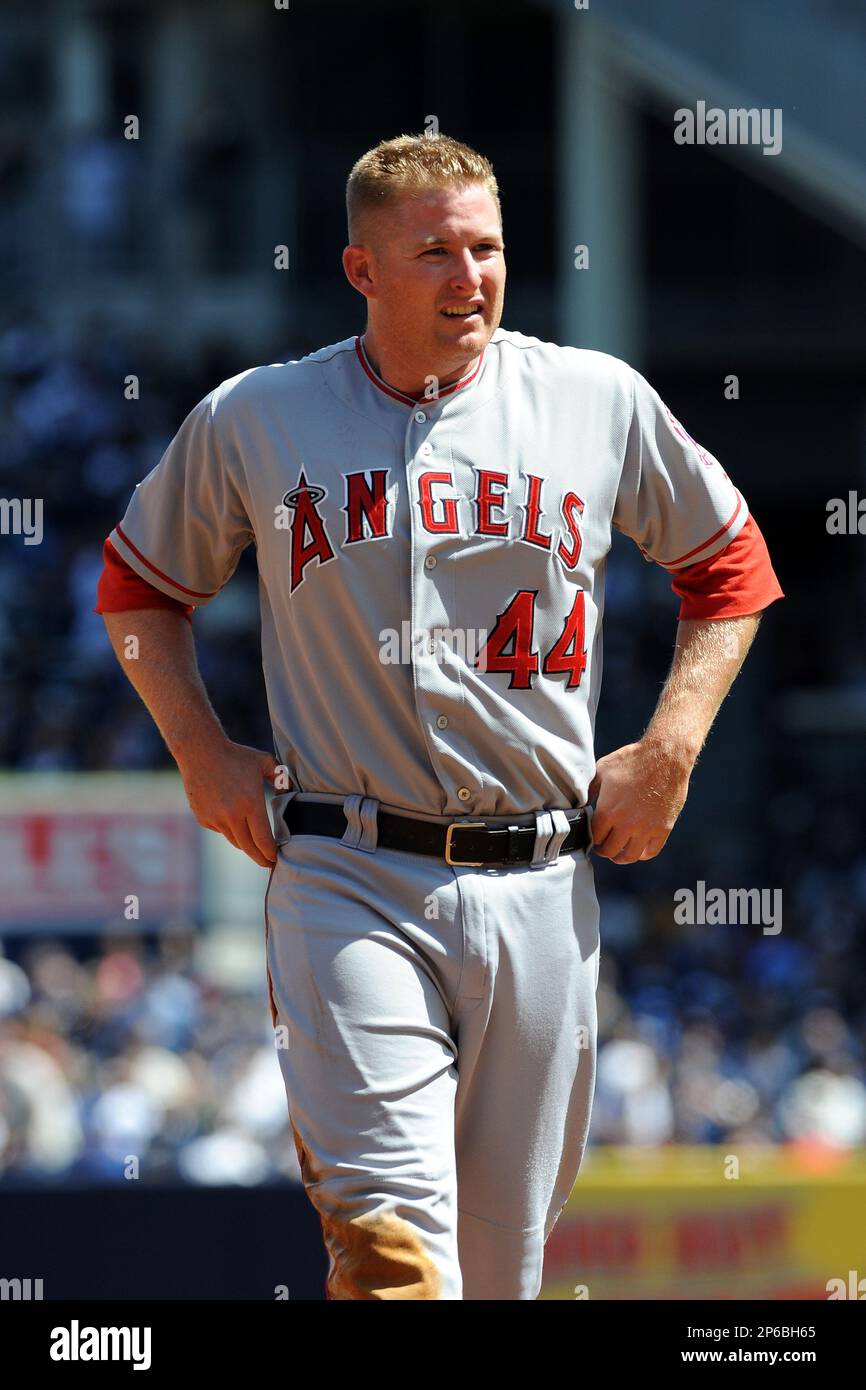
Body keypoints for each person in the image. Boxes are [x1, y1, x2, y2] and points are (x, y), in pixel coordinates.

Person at [96, 132, 784, 1299]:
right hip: (349, 869)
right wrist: (199, 751)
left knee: (498, 1277)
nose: (470, 277)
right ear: (360, 270)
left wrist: (670, 747)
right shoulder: (258, 415)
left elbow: (730, 568)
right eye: (435, 254)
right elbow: (138, 587)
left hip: (542, 881)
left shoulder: (592, 398)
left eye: (487, 249)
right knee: (396, 1254)